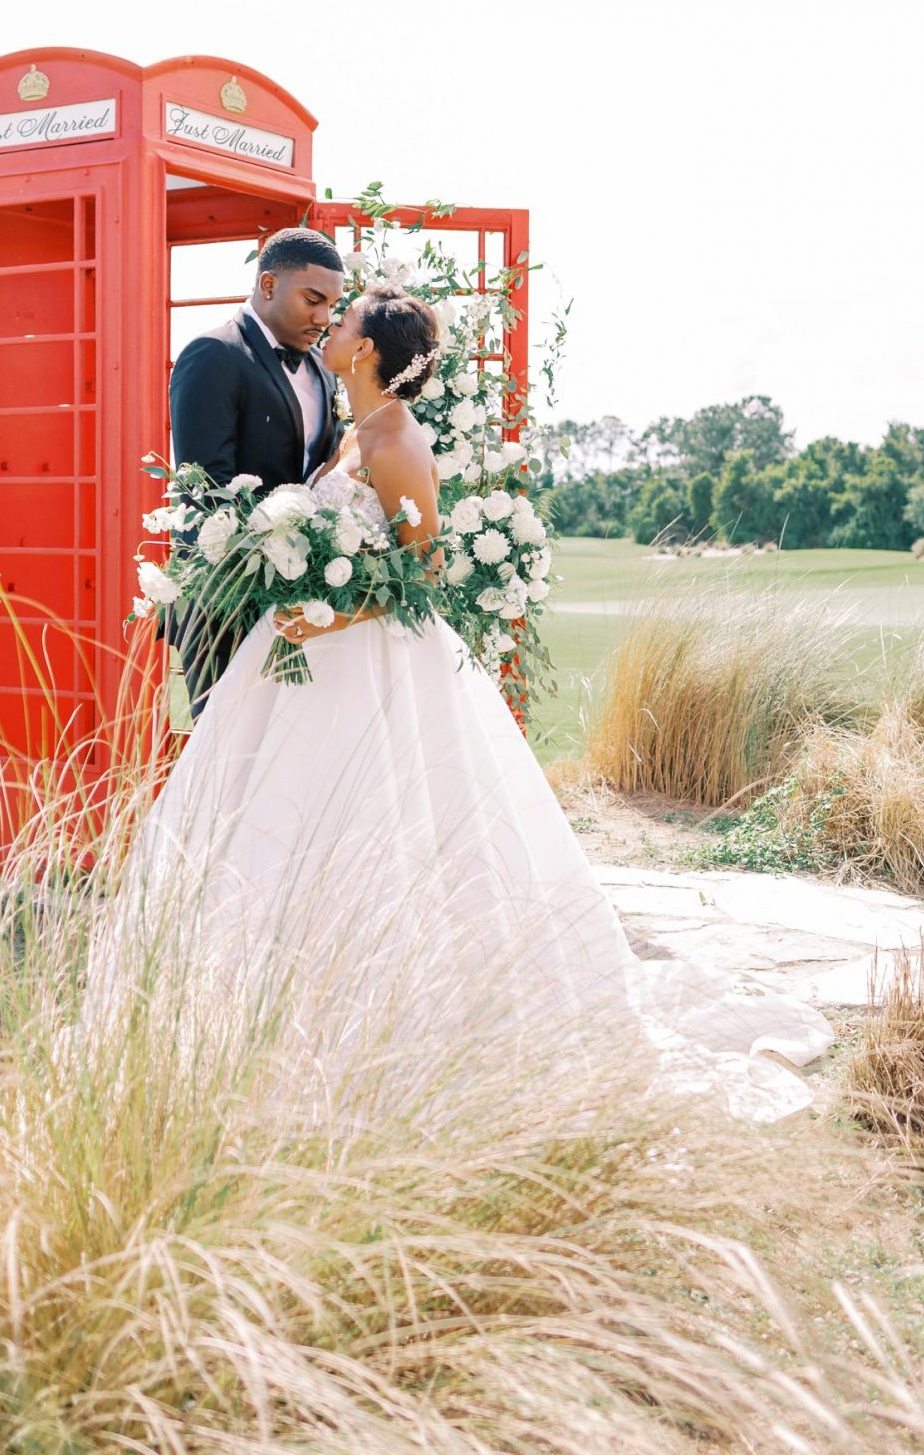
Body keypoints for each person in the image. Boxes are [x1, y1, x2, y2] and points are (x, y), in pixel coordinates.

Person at [101, 281, 834, 1121]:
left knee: (377, 818)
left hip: (367, 657)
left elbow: (425, 569)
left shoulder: (396, 440)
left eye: (343, 319)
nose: (329, 326)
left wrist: (334, 612)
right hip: (303, 650)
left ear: (365, 349)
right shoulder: (356, 431)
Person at [168, 227, 345, 716]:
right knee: (228, 744)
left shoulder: (324, 367)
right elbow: (204, 489)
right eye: (313, 300)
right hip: (224, 602)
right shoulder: (214, 354)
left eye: (333, 306)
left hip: (302, 606)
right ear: (268, 285)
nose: (324, 318)